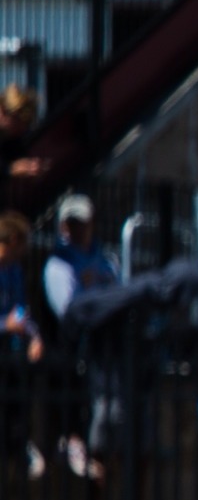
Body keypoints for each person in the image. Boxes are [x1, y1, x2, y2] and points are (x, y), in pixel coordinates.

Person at [42, 193, 117, 480]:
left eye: (82, 222)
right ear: (64, 226)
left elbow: (118, 294)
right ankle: (72, 441)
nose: (77, 228)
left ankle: (102, 447)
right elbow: (68, 311)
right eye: (72, 223)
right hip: (75, 346)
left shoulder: (106, 261)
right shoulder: (58, 265)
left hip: (105, 345)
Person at [0, 210, 46, 479]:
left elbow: (21, 312)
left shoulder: (14, 271)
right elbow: (9, 320)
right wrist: (5, 325)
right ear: (14, 240)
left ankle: (18, 443)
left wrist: (35, 336)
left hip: (12, 352)